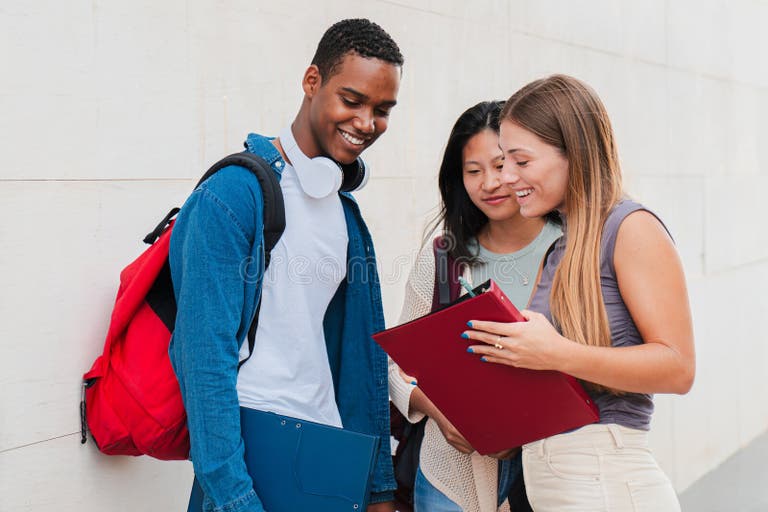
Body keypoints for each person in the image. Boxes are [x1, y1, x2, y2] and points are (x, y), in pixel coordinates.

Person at [168, 19, 403, 512]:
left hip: (327, 453)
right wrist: (235, 498)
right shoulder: (232, 195)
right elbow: (202, 363)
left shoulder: (345, 214)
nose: (366, 122)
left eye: (382, 110)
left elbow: (359, 358)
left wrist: (377, 486)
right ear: (312, 82)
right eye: (353, 100)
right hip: (254, 461)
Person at [464, 75, 695, 511]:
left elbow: (678, 367)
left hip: (607, 485)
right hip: (555, 486)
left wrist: (554, 352)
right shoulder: (561, 246)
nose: (507, 177)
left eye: (520, 161)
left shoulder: (631, 228)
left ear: (573, 153)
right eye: (502, 161)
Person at [389, 101, 561, 512]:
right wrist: (441, 414)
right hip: (450, 472)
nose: (490, 183)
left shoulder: (569, 248)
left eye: (502, 165)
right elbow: (395, 366)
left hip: (548, 472)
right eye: (473, 171)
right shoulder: (444, 257)